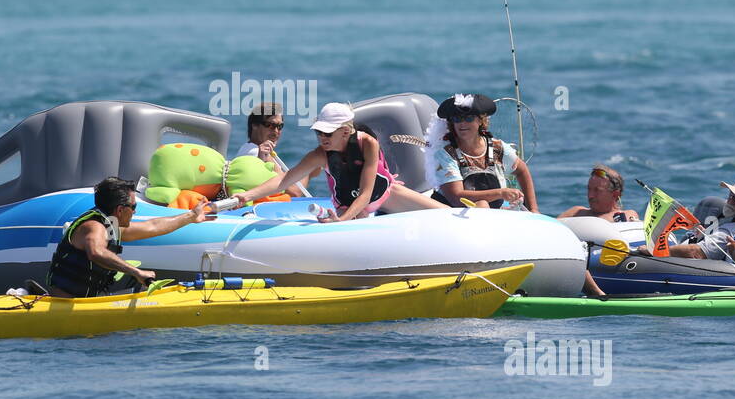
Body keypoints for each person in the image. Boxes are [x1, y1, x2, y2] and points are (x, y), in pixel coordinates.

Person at [232, 102, 446, 222]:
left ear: (345, 132)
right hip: (347, 208)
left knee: (444, 216)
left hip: (386, 196)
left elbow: (365, 193)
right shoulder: (320, 154)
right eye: (319, 132)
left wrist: (342, 222)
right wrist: (247, 196)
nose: (322, 138)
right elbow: (285, 180)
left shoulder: (369, 144)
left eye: (327, 133)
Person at [45, 176, 211, 297]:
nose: (135, 211)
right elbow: (96, 252)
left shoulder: (111, 224)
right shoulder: (94, 227)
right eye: (133, 206)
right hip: (67, 304)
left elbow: (152, 226)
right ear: (120, 210)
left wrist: (190, 216)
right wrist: (137, 272)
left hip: (88, 301)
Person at [425, 93, 538, 212]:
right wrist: (500, 193)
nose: (462, 124)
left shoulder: (497, 148)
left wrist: (534, 209)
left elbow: (522, 170)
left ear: (480, 120)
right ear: (452, 123)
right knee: (482, 204)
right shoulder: (445, 154)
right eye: (457, 119)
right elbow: (456, 197)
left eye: (468, 118)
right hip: (453, 217)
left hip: (490, 217)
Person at [668, 175, 735, 261]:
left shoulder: (729, 232)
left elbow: (696, 252)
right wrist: (707, 234)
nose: (730, 201)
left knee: (669, 237)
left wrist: (660, 253)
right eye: (731, 195)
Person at [235, 102, 316, 198]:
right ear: (255, 125)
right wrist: (310, 168)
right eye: (270, 125)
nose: (276, 131)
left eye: (280, 126)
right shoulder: (257, 153)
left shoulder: (247, 148)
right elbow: (293, 192)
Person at [559, 165, 639, 222]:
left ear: (615, 195)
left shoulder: (626, 216)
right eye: (589, 189)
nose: (590, 195)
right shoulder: (575, 212)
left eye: (597, 190)